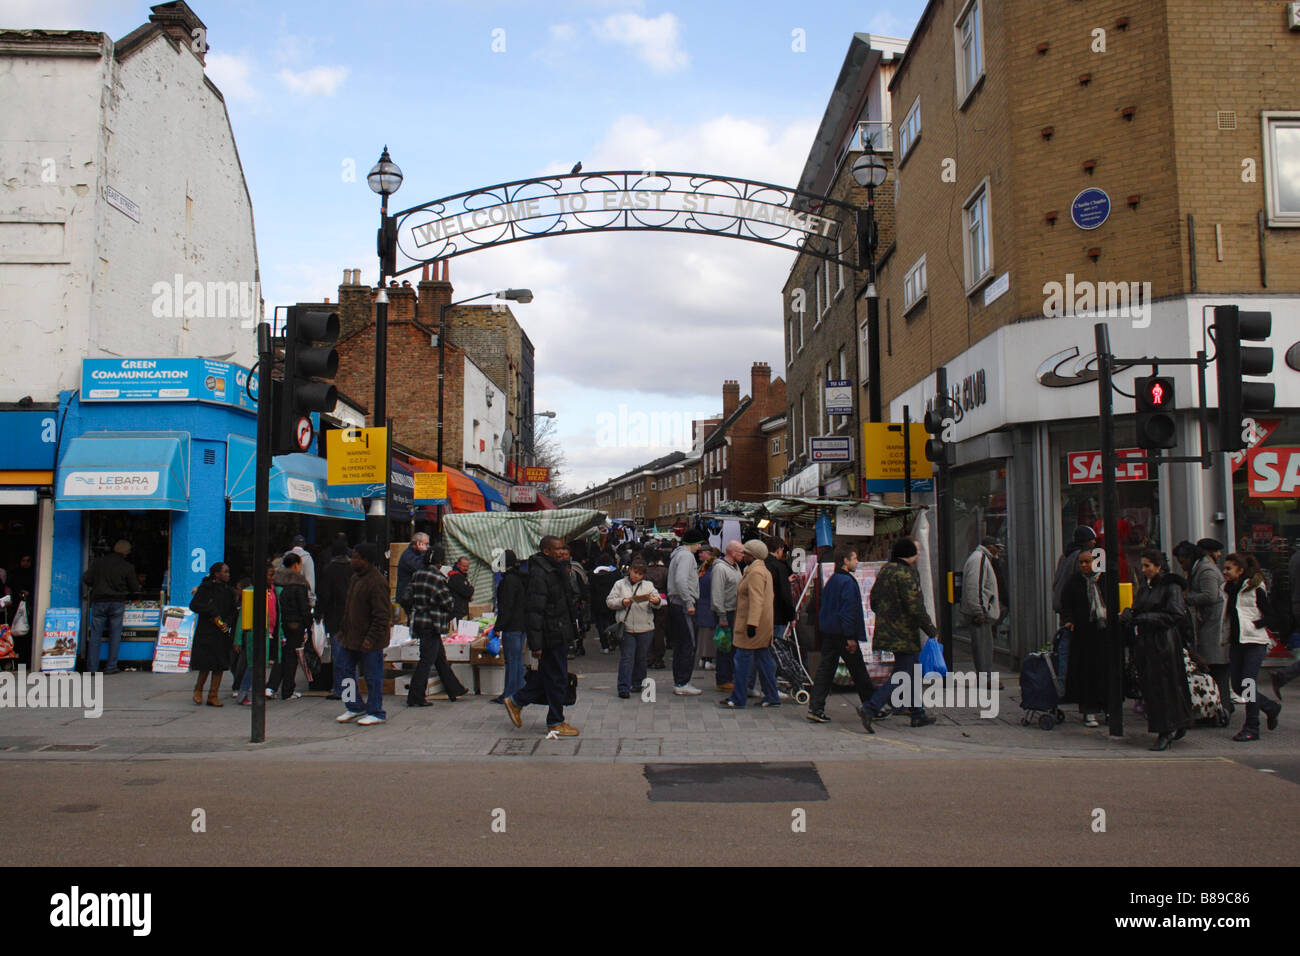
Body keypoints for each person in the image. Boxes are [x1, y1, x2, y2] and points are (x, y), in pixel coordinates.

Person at [504, 536, 579, 737]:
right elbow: (535, 611)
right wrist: (536, 644)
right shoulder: (541, 574)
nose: (562, 552)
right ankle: (554, 720)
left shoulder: (555, 570)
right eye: (557, 549)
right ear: (546, 551)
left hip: (559, 630)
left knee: (550, 676)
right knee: (557, 678)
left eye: (563, 548)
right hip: (551, 633)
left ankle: (517, 701)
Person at [1120, 550, 1194, 751]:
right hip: (1147, 642)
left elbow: (1175, 614)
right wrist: (1129, 613)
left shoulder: (1171, 586)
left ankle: (1166, 730)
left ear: (1159, 566)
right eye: (1142, 566)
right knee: (1153, 687)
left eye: (1147, 566)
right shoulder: (1146, 587)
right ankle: (1176, 724)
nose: (1144, 570)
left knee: (1164, 686)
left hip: (1164, 643)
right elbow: (1138, 608)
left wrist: (1143, 618)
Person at [865, 538, 939, 727]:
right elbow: (915, 606)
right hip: (904, 633)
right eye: (916, 551)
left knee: (911, 671)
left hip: (888, 631)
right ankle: (871, 707)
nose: (918, 554)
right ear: (908, 554)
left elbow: (873, 601)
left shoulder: (886, 570)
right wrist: (930, 629)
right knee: (902, 674)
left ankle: (917, 713)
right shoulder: (906, 574)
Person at [807, 547, 876, 731]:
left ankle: (815, 707)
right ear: (845, 561)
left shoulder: (832, 580)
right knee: (859, 671)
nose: (857, 562)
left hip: (829, 633)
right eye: (855, 558)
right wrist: (850, 637)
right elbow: (848, 611)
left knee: (825, 670)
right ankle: (872, 706)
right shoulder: (847, 582)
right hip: (843, 635)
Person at [1223, 552, 1282, 742]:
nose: (1225, 572)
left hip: (1254, 642)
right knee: (1239, 687)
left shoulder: (1256, 588)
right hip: (1237, 642)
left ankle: (1252, 727)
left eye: (1228, 569)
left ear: (1240, 570)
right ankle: (1270, 707)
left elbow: (1272, 616)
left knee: (1248, 683)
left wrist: (1254, 625)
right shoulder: (1227, 589)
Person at [334, 542, 392, 726]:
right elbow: (349, 608)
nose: (353, 560)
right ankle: (353, 705)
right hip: (350, 637)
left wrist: (371, 639)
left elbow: (382, 615)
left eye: (357, 557)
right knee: (343, 669)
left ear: (366, 560)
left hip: (369, 641)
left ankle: (376, 711)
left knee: (372, 676)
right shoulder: (356, 578)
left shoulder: (376, 583)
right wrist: (343, 630)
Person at [719, 540, 780, 709]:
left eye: (745, 553)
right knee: (764, 660)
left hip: (752, 625)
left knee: (742, 660)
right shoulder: (761, 570)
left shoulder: (755, 573)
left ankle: (738, 698)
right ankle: (772, 695)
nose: (743, 556)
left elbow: (756, 599)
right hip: (763, 624)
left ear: (752, 555)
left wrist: (752, 624)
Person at [407, 545, 470, 706]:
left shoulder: (416, 575)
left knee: (439, 657)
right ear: (440, 562)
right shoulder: (438, 578)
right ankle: (415, 696)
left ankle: (454, 689)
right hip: (433, 623)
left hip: (419, 621)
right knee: (426, 660)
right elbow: (448, 602)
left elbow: (406, 597)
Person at [1175, 540, 1229, 718]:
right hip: (1207, 622)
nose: (1181, 565)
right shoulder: (1199, 569)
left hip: (1213, 623)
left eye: (1182, 561)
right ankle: (1219, 706)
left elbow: (1210, 595)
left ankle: (1223, 708)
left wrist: (1186, 598)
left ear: (1190, 558)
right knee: (1212, 664)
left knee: (1216, 665)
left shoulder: (1206, 571)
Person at [1060, 548, 1108, 726]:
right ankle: (1089, 711)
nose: (1083, 565)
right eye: (1081, 562)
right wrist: (1069, 621)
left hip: (1104, 632)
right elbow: (1066, 605)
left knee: (1105, 671)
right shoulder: (1074, 582)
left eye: (1087, 561)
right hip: (1083, 634)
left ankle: (1108, 708)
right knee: (1086, 674)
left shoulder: (1105, 580)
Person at [82, 539, 137, 674]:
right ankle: (111, 666)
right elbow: (135, 587)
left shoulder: (98, 562)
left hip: (99, 601)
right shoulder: (127, 566)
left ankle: (92, 668)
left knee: (95, 635)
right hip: (117, 602)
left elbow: (87, 579)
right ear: (126, 552)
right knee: (115, 635)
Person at [608, 558, 661, 698]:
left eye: (640, 573)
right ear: (629, 570)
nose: (636, 575)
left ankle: (638, 683)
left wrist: (656, 601)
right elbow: (609, 601)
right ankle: (623, 687)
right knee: (627, 657)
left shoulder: (648, 586)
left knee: (641, 657)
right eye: (634, 572)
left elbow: (657, 601)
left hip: (645, 627)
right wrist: (622, 602)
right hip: (626, 627)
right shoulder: (619, 584)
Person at [188, 562, 237, 707]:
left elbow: (233, 610)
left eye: (228, 572)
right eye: (225, 572)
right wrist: (211, 612)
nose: (228, 574)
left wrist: (227, 623)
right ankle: (198, 689)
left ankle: (213, 695)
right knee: (205, 662)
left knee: (219, 663)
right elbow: (194, 605)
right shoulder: (206, 588)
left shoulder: (229, 591)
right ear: (216, 574)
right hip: (207, 630)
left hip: (221, 631)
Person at [956, 537, 1002, 682]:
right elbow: (974, 586)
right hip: (979, 613)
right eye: (997, 547)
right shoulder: (979, 559)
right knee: (983, 648)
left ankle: (985, 677)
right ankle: (986, 679)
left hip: (980, 610)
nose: (999, 550)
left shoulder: (980, 558)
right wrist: (979, 610)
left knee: (983, 647)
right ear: (989, 546)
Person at [667, 529, 706, 695]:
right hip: (683, 605)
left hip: (676, 603)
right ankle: (683, 683)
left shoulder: (678, 555)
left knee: (681, 643)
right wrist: (689, 602)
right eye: (699, 543)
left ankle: (680, 681)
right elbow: (681, 580)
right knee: (689, 644)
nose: (700, 547)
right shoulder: (686, 556)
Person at [235, 563, 279, 705]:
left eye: (273, 574)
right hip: (254, 634)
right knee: (253, 665)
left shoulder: (273, 591)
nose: (273, 578)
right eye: (270, 575)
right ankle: (244, 693)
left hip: (269, 633)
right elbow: (242, 617)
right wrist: (238, 639)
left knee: (260, 665)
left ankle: (254, 692)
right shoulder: (251, 592)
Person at [315, 536, 352, 700]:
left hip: (335, 617)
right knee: (351, 655)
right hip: (352, 617)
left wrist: (318, 612)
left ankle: (340, 689)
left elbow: (324, 595)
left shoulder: (329, 570)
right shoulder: (353, 568)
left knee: (339, 655)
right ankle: (350, 689)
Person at [273, 552, 311, 700]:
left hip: (282, 623)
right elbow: (303, 607)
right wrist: (309, 623)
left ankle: (274, 686)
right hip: (296, 624)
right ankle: (288, 689)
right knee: (292, 657)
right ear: (296, 565)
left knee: (284, 654)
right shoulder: (299, 583)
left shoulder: (277, 580)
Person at [494, 550, 529, 703]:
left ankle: (509, 693)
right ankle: (519, 690)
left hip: (511, 626)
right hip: (522, 624)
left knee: (512, 660)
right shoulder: (522, 579)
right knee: (517, 659)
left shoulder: (508, 581)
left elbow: (506, 606)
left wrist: (498, 626)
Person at [710, 540, 743, 693]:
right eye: (741, 552)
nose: (743, 555)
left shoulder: (736, 567)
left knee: (732, 648)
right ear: (733, 553)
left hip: (735, 611)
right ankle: (723, 679)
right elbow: (717, 593)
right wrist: (721, 615)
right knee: (725, 647)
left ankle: (729, 676)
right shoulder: (720, 569)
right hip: (725, 613)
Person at [1052, 526, 1096, 618]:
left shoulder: (1064, 556)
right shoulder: (1080, 556)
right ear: (1085, 540)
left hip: (1062, 604)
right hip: (1073, 608)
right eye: (1092, 539)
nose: (1094, 542)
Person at [765, 538, 797, 646]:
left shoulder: (760, 565)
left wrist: (785, 580)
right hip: (778, 615)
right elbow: (785, 595)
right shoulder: (780, 567)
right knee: (777, 649)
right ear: (780, 549)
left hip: (763, 614)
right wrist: (792, 616)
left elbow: (770, 584)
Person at [645, 548, 669, 669]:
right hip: (663, 601)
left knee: (648, 629)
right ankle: (659, 658)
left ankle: (649, 656)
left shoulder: (645, 571)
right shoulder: (665, 571)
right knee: (660, 630)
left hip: (647, 601)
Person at [695, 547, 717, 671]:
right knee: (708, 633)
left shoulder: (702, 571)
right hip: (708, 604)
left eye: (701, 553)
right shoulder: (708, 571)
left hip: (703, 604)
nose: (699, 555)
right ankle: (707, 658)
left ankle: (703, 658)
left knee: (704, 633)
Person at [395, 532, 430, 611]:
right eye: (426, 544)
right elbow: (420, 567)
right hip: (406, 597)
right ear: (418, 543)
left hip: (414, 596)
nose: (428, 547)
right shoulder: (408, 555)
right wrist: (424, 552)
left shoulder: (416, 555)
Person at [289, 535, 316, 608]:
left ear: (292, 544)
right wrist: (312, 600)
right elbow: (310, 579)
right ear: (304, 545)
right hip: (301, 597)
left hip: (286, 595)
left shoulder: (286, 557)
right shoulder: (307, 558)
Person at [447, 556, 474, 620]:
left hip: (461, 609)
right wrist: (471, 588)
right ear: (458, 565)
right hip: (457, 611)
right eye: (464, 566)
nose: (466, 568)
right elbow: (467, 592)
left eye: (467, 566)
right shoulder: (456, 577)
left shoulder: (461, 576)